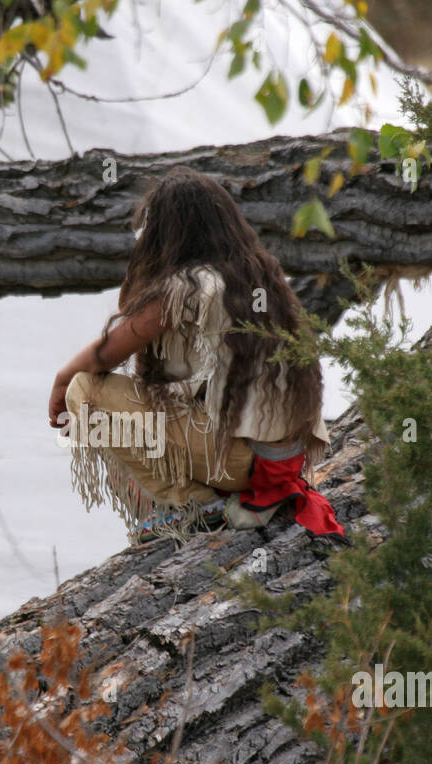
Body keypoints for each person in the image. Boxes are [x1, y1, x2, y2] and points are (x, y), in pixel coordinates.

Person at [48, 167, 350, 547]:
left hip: (243, 463)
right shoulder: (257, 273)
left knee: (85, 389)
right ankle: (201, 500)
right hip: (281, 462)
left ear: (166, 234)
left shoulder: (187, 287)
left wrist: (61, 382)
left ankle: (189, 505)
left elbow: (103, 355)